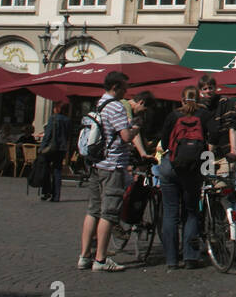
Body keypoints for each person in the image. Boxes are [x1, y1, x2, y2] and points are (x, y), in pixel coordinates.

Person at [77, 72, 149, 273]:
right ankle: (100, 259)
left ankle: (84, 256)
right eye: (125, 87)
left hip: (96, 164)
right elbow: (125, 136)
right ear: (116, 87)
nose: (127, 91)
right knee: (108, 213)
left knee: (93, 210)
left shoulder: (99, 103)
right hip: (112, 165)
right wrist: (135, 126)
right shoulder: (116, 107)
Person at [157, 87, 206, 271]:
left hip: (171, 166)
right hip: (193, 168)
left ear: (181, 99)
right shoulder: (204, 115)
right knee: (191, 212)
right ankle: (190, 257)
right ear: (198, 98)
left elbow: (163, 142)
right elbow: (214, 137)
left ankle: (171, 260)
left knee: (170, 213)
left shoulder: (173, 116)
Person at [39, 103, 70, 202]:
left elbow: (47, 135)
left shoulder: (53, 118)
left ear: (56, 109)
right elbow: (68, 135)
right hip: (61, 148)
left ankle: (46, 191)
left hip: (51, 148)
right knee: (57, 171)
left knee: (46, 169)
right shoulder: (67, 120)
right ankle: (56, 195)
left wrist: (42, 147)